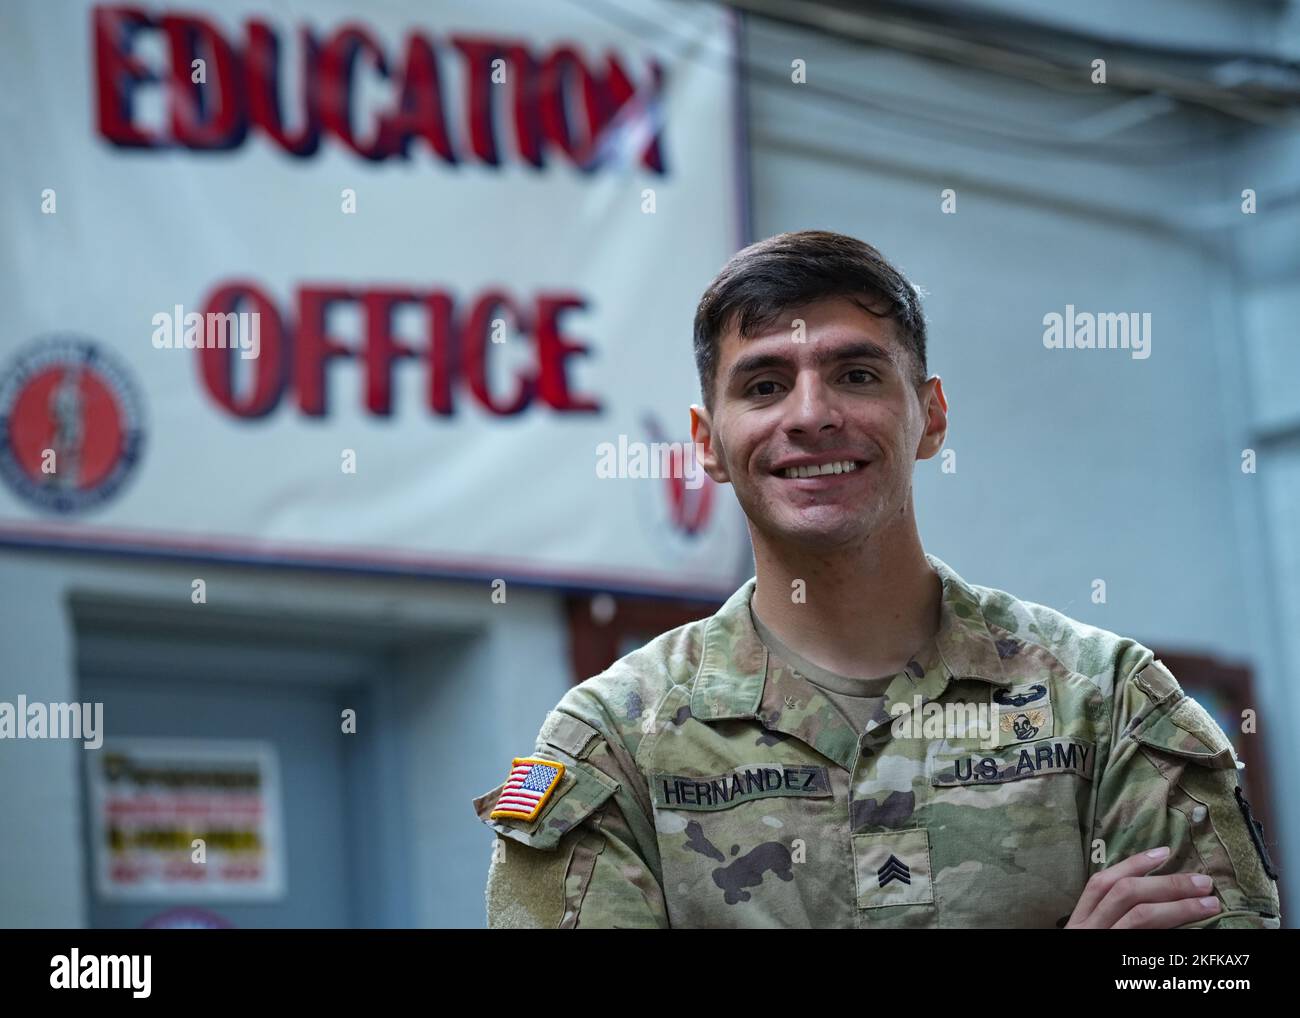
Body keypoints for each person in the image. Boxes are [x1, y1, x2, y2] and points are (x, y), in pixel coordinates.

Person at [470, 230, 1282, 928]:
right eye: (763, 385)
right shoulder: (616, 742)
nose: (811, 414)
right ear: (707, 442)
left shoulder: (1108, 702)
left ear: (931, 416)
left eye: (857, 375)